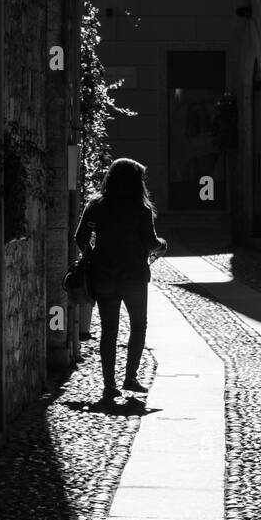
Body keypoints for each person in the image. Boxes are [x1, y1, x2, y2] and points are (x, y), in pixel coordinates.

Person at [74, 158, 167, 400]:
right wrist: (162, 245)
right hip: (134, 276)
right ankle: (130, 378)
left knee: (109, 330)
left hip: (104, 275)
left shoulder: (96, 205)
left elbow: (81, 236)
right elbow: (151, 243)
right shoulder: (140, 208)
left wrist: (91, 255)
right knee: (138, 324)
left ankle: (109, 384)